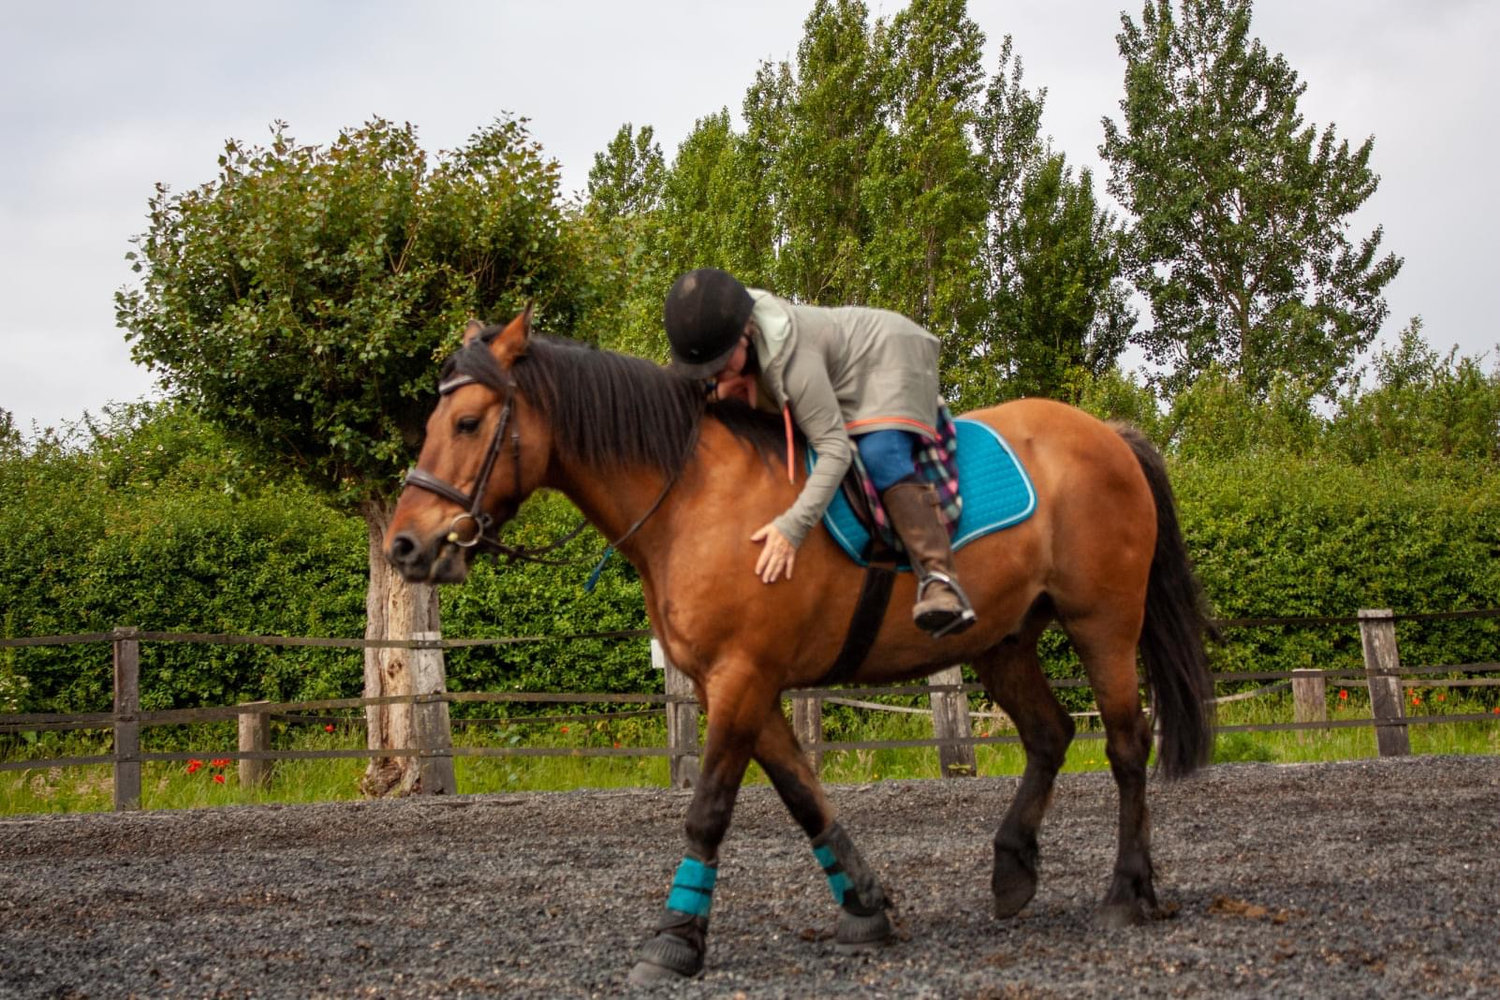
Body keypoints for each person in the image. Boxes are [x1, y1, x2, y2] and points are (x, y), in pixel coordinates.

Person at [664, 267, 975, 637]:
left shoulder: (796, 364)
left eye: (720, 365)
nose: (715, 374)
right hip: (840, 358)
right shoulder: (722, 326)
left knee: (879, 454)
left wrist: (792, 527)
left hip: (889, 356)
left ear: (746, 332)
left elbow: (835, 451)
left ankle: (940, 580)